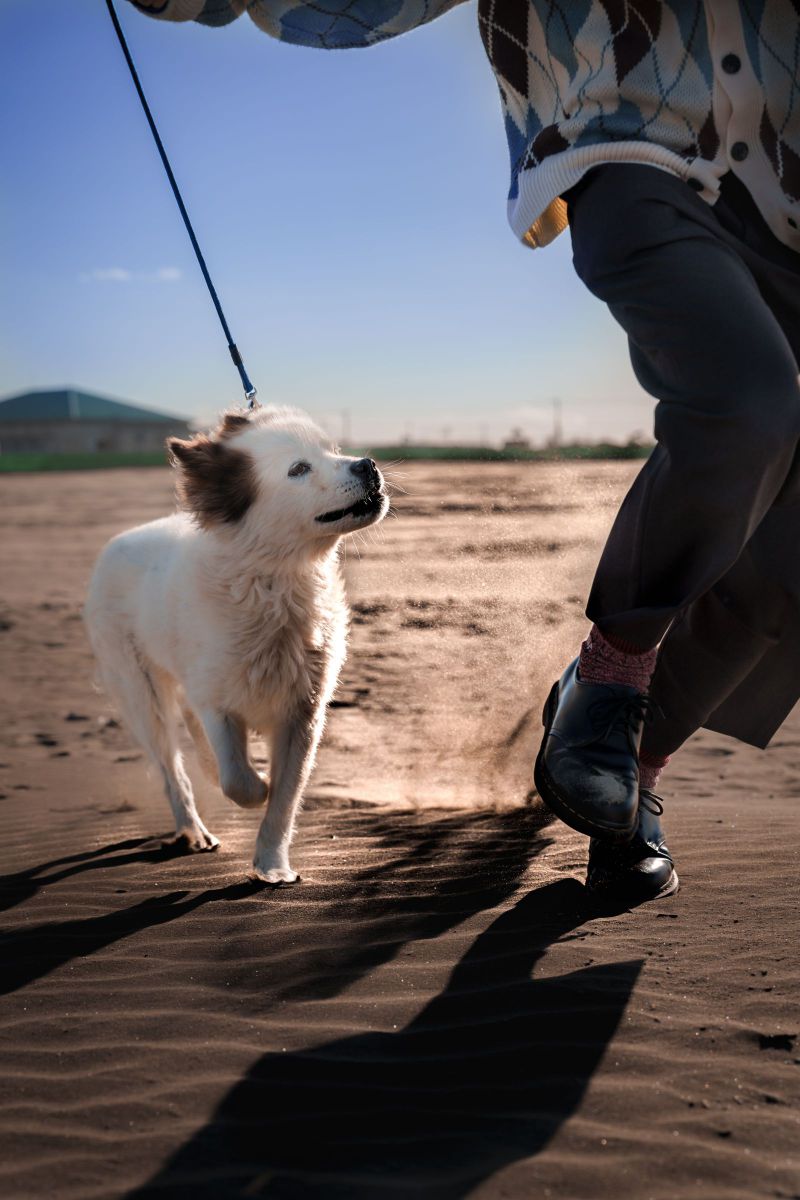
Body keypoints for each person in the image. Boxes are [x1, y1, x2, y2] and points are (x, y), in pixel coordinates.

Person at [125, 1, 800, 902]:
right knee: (747, 402)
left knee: (786, 543)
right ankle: (610, 679)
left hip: (791, 193)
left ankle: (630, 767)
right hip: (634, 150)